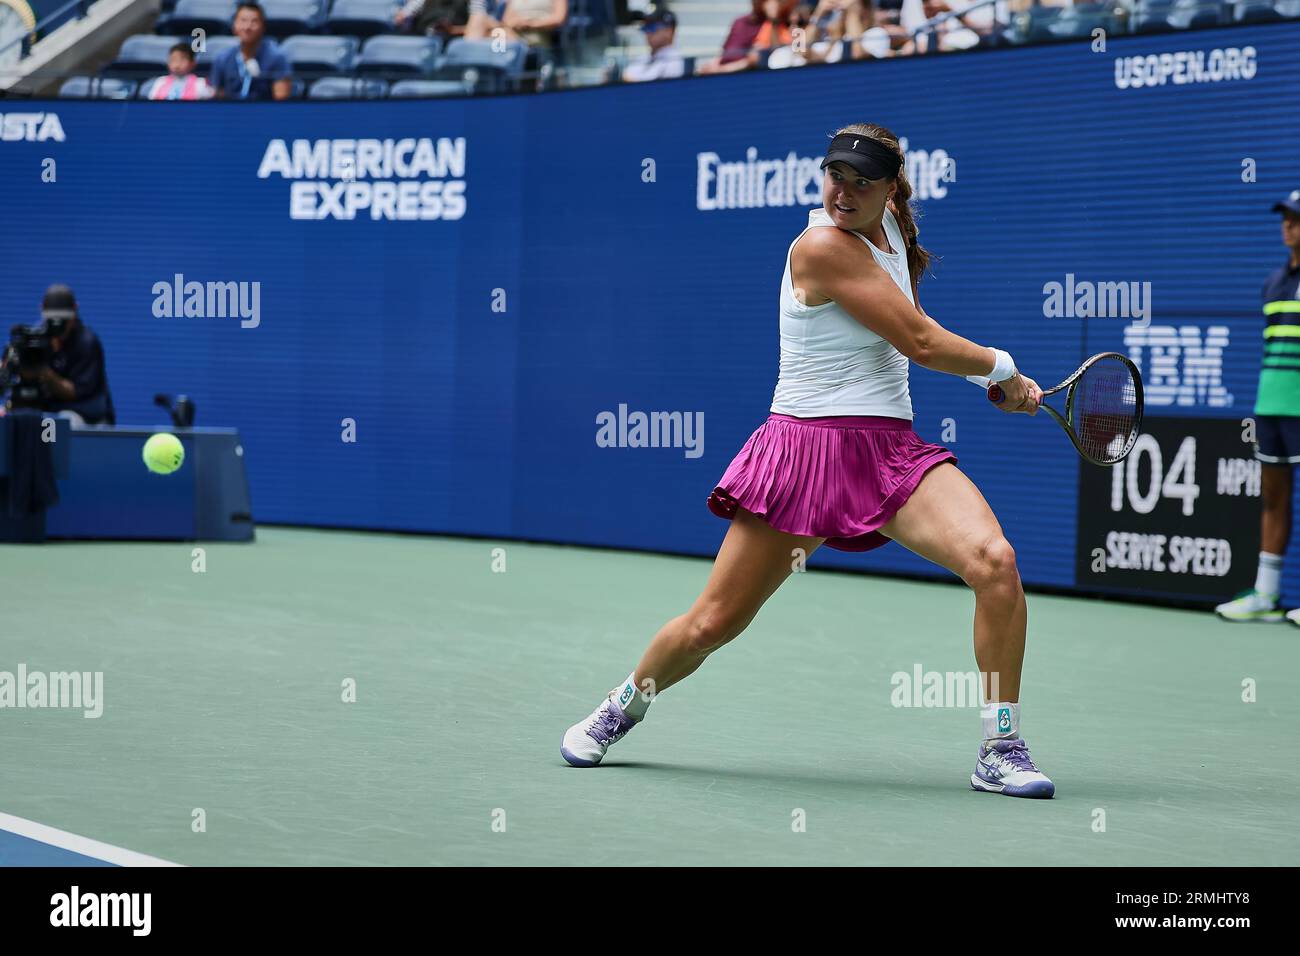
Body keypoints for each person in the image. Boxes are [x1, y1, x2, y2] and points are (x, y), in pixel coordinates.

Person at [560, 123, 1056, 799]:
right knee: (713, 623)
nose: (843, 193)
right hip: (805, 454)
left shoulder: (894, 243)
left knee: (994, 562)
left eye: (862, 182)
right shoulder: (820, 245)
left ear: (892, 189)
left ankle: (1001, 746)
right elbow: (921, 341)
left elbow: (902, 342)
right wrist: (1000, 371)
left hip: (889, 454)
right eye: (835, 177)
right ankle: (626, 702)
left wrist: (995, 387)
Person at [1215, 189, 1300, 624]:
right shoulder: (1273, 281)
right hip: (1272, 403)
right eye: (1286, 217)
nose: (1289, 225)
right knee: (1273, 496)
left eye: (1296, 218)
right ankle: (1266, 594)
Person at [1, 284, 115, 426]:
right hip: (40, 409)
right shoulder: (32, 339)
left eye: (63, 321)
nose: (58, 326)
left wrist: (44, 373)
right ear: (41, 309)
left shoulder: (88, 342)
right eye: (52, 319)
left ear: (75, 311)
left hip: (84, 414)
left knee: (65, 422)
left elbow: (74, 392)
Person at [209, 3, 293, 101]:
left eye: (254, 21)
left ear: (263, 27)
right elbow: (217, 96)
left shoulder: (277, 58)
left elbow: (282, 99)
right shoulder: (222, 58)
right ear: (234, 26)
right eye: (243, 21)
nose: (247, 27)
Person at [696, 0, 794, 75]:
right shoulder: (739, 21)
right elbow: (724, 53)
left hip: (740, 76)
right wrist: (711, 66)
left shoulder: (769, 26)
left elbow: (752, 61)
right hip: (719, 72)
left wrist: (720, 70)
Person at [623, 7, 686, 82]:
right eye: (645, 28)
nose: (648, 33)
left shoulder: (674, 61)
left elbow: (653, 90)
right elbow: (626, 76)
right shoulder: (642, 58)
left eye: (652, 27)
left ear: (669, 31)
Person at [145, 43, 215, 100]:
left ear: (192, 63)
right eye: (173, 60)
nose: (177, 64)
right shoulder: (160, 81)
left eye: (182, 60)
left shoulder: (200, 83)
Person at [395, 0, 470, 38]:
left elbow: (477, 29)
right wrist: (402, 18)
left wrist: (453, 30)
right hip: (425, 39)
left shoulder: (474, 2)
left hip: (455, 41)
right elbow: (402, 17)